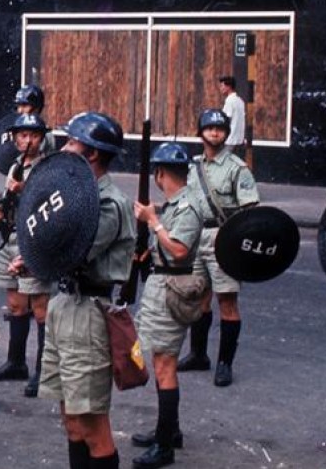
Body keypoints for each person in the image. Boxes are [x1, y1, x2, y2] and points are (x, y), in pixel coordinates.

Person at [13, 111, 135, 469]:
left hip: (88, 313)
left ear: (92, 153)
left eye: (71, 142)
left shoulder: (109, 203)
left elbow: (75, 250)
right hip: (64, 303)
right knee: (70, 418)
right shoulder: (77, 194)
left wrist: (35, 259)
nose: (64, 148)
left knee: (92, 423)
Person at [130, 142, 204, 469]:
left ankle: (165, 446)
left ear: (160, 174)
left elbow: (179, 250)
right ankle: (168, 430)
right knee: (162, 361)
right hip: (161, 284)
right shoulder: (176, 204)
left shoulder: (187, 207)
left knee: (164, 366)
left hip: (172, 288)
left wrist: (153, 221)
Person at [178, 108, 260, 387]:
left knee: (227, 300)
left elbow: (250, 211)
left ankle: (225, 363)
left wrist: (236, 243)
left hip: (224, 238)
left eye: (220, 128)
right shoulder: (192, 166)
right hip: (196, 236)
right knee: (198, 298)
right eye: (209, 128)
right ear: (200, 132)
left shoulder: (237, 168)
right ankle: (198, 355)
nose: (214, 132)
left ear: (226, 133)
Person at [0, 113, 53, 399]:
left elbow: (49, 203)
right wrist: (0, 208)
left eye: (34, 135)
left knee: (39, 305)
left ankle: (43, 369)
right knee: (15, 303)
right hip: (11, 236)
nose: (28, 141)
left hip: (34, 239)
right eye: (23, 135)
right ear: (15, 139)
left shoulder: (47, 168)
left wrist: (24, 190)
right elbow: (8, 197)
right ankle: (16, 362)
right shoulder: (15, 166)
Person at [218, 76, 246, 154]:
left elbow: (226, 120)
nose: (220, 88)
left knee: (223, 160)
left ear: (228, 86)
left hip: (230, 141)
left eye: (222, 86)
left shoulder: (230, 101)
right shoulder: (240, 101)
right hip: (239, 140)